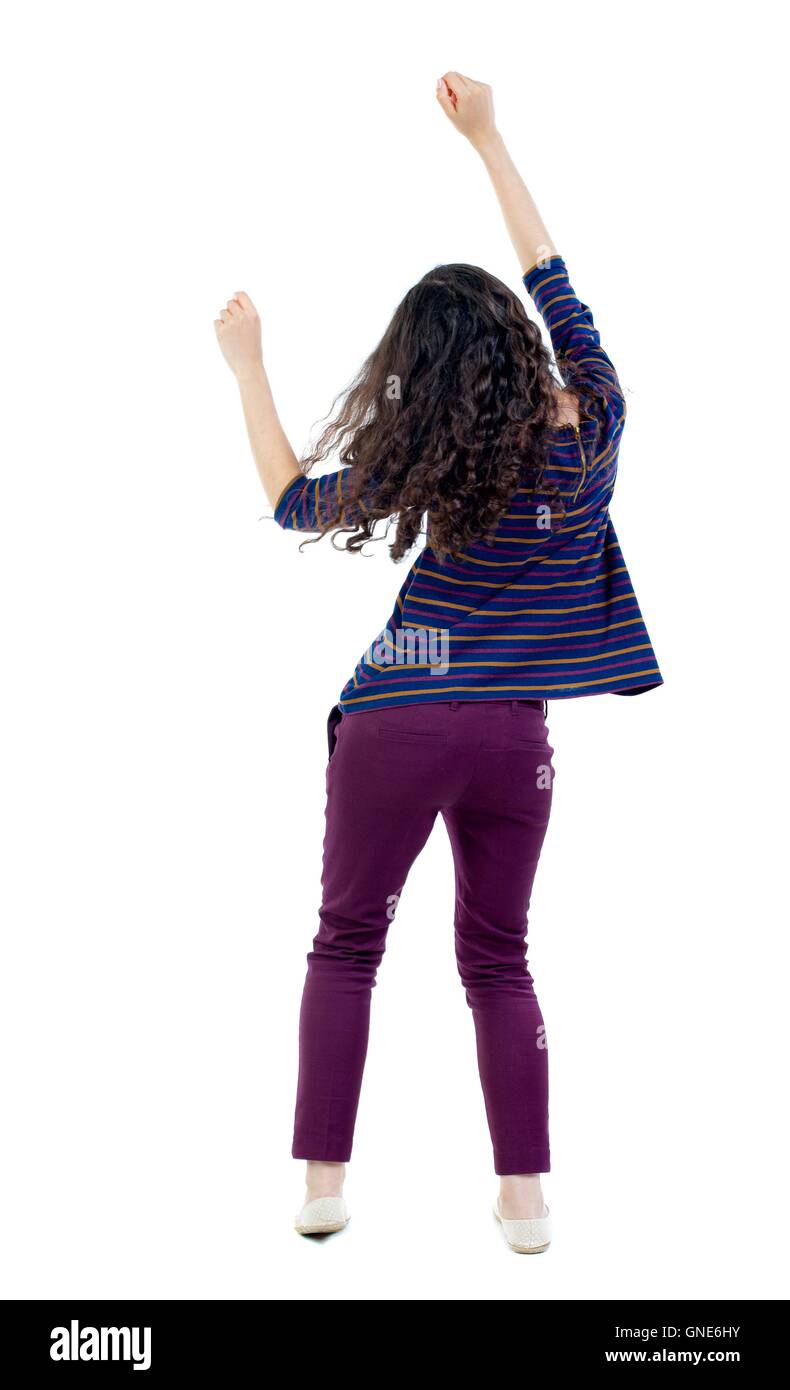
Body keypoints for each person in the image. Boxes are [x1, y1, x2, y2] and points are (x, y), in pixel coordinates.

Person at [214, 72, 662, 1254]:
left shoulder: (425, 453)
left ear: (425, 368)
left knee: (346, 939)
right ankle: (525, 1199)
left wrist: (247, 367)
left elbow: (291, 502)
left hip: (396, 715)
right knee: (500, 957)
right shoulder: (595, 420)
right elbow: (549, 267)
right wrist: (490, 141)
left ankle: (322, 1184)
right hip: (512, 734)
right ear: (521, 348)